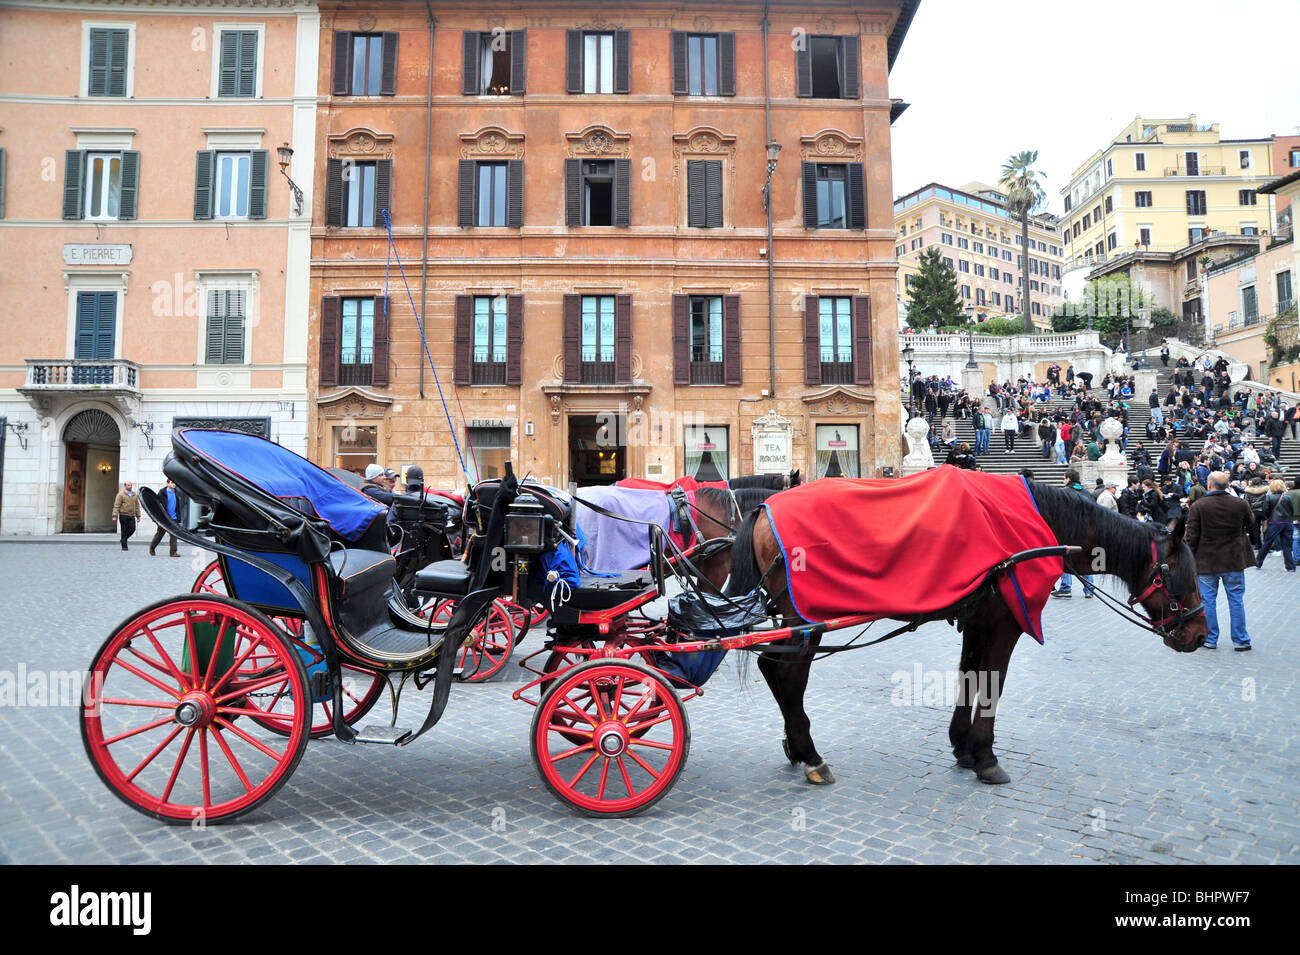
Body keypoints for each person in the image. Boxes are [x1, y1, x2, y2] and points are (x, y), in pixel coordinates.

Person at [1186, 472, 1256, 650]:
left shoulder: (1199, 505)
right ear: (1228, 486)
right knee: (1236, 600)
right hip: (1233, 560)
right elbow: (1251, 522)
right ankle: (1241, 640)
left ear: (1210, 485)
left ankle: (1210, 638)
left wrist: (1188, 559)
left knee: (1208, 601)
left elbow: (1192, 536)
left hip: (1206, 562)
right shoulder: (1240, 504)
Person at [1051, 470, 1096, 598]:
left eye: (1064, 478)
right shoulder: (1087, 493)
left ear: (1068, 479)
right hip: (1086, 530)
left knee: (1065, 558)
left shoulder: (1064, 492)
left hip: (1068, 531)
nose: (1063, 480)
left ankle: (1066, 588)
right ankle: (1089, 589)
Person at [1256, 478, 1296, 571]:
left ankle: (1258, 562)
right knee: (1287, 546)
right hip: (1287, 522)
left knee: (1267, 543)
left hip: (1275, 522)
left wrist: (1267, 518)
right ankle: (1290, 566)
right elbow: (1291, 511)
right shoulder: (1288, 497)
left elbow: (1265, 511)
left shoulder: (1269, 497)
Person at [149, 478, 187, 557]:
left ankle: (173, 552)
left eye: (175, 483)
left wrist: (178, 517)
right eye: (172, 482)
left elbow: (179, 506)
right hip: (164, 518)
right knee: (160, 534)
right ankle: (152, 548)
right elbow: (156, 505)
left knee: (174, 535)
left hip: (174, 518)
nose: (174, 484)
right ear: (167, 484)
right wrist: (155, 517)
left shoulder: (177, 493)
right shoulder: (162, 493)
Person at [111, 481, 141, 552]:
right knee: (124, 530)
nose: (130, 486)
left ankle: (123, 540)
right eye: (128, 485)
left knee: (132, 529)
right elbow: (116, 505)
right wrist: (114, 515)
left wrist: (138, 516)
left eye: (131, 485)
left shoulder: (134, 495)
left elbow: (137, 506)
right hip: (123, 515)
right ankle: (124, 546)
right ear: (125, 486)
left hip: (132, 515)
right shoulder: (120, 494)